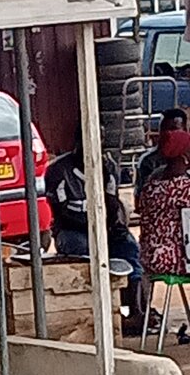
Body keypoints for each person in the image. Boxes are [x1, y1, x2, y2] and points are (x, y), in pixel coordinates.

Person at [46, 123, 144, 328]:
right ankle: (98, 312)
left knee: (129, 247)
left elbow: (112, 204)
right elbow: (61, 214)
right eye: (89, 139)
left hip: (102, 228)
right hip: (72, 230)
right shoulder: (58, 170)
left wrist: (113, 226)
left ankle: (135, 312)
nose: (95, 145)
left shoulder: (108, 167)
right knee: (84, 250)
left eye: (99, 139)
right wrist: (92, 228)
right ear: (78, 143)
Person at [139, 129, 190, 276]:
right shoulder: (183, 188)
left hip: (149, 256)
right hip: (174, 258)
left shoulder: (151, 184)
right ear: (184, 156)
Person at [134, 108, 188, 210]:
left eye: (175, 130)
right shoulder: (148, 161)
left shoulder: (187, 157)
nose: (170, 135)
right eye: (166, 130)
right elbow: (139, 200)